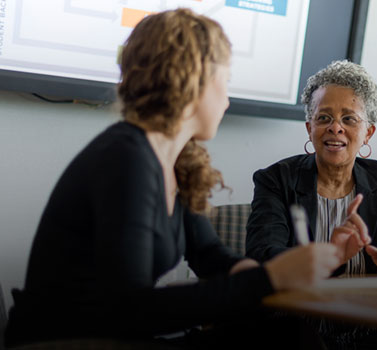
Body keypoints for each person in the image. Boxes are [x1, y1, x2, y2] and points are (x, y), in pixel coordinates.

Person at [5, 9, 345, 350]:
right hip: (65, 342)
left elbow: (209, 253)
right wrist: (270, 278)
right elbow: (130, 309)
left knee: (286, 335)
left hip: (116, 336)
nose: (227, 100)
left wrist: (266, 275)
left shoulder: (173, 159)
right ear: (193, 79)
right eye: (224, 82)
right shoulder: (126, 158)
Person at [246, 60, 377, 349]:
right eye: (324, 117)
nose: (335, 128)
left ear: (368, 133)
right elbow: (263, 256)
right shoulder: (276, 180)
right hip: (296, 322)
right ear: (309, 127)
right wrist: (330, 258)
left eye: (349, 119)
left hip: (367, 325)